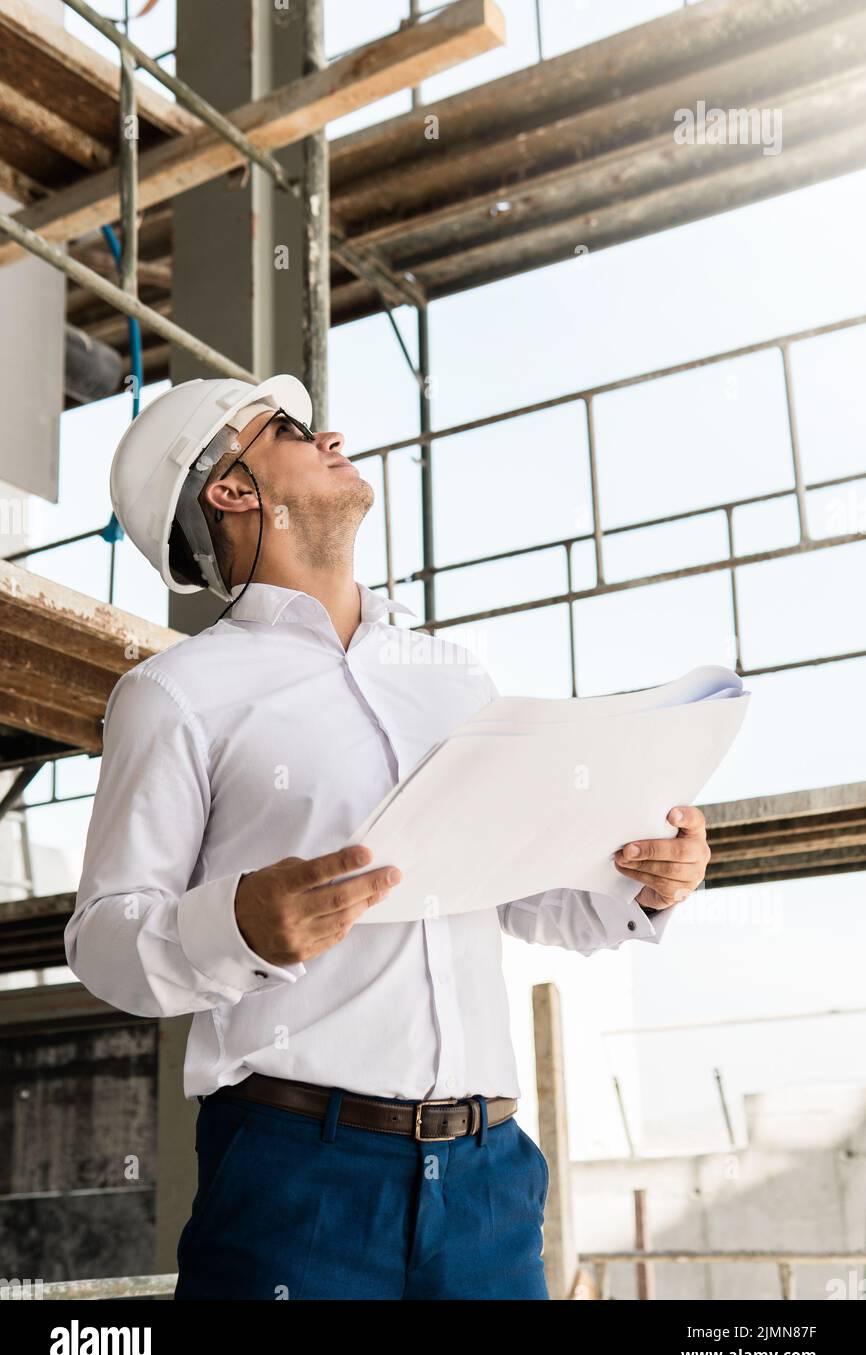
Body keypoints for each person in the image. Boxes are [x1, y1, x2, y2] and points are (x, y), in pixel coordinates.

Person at [65, 375, 710, 1300]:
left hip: (489, 1185)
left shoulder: (451, 680)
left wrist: (646, 884)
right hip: (298, 1187)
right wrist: (235, 926)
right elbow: (105, 941)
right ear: (233, 490)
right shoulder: (176, 697)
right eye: (287, 429)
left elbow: (528, 892)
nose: (328, 434)